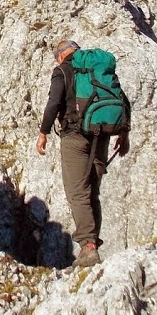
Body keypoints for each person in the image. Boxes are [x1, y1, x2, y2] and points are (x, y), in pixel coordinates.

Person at [35, 39, 130, 267]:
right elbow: (122, 99)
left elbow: (53, 102)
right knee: (92, 192)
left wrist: (43, 132)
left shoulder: (62, 71)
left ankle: (88, 247)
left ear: (60, 55)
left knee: (78, 192)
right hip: (102, 135)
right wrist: (124, 133)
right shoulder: (97, 71)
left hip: (75, 137)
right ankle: (93, 243)